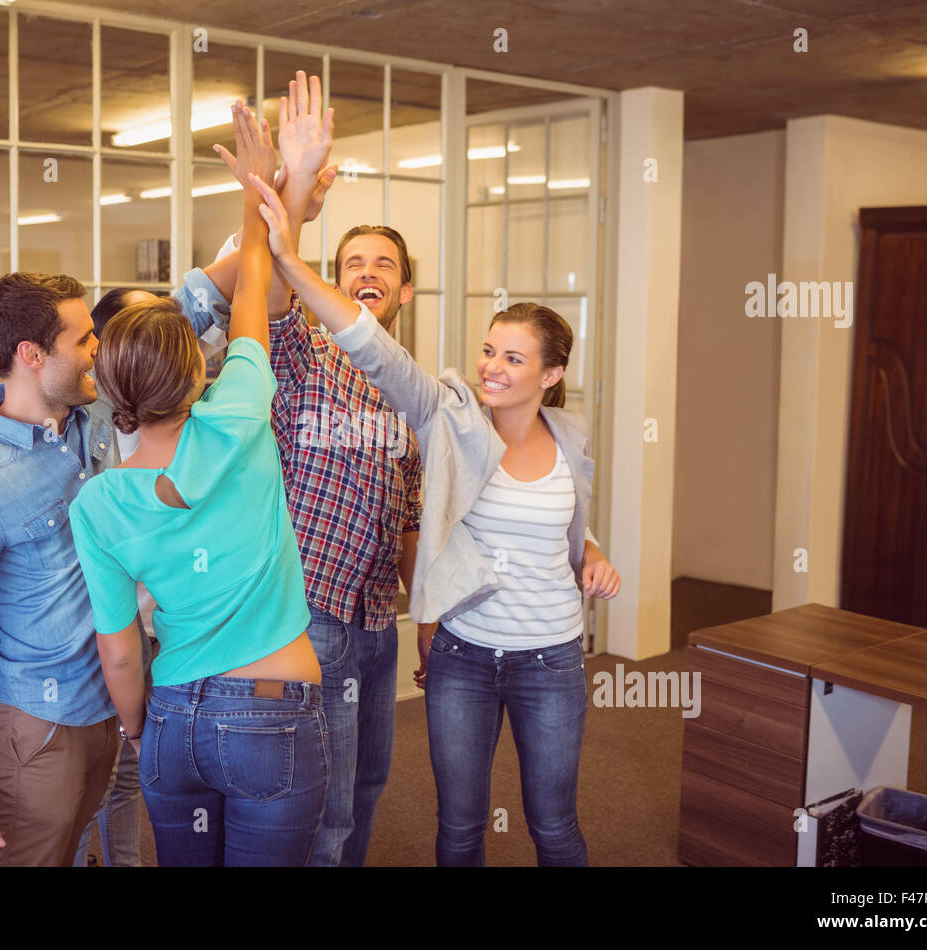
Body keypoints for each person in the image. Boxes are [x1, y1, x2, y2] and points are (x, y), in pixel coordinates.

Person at [251, 174, 622, 866]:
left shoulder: (554, 436)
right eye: (489, 351)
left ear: (549, 374)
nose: (492, 367)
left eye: (513, 357)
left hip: (410, 623)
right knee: (371, 811)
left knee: (379, 784)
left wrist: (590, 553)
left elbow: (427, 517)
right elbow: (349, 338)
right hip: (340, 615)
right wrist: (290, 244)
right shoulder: (418, 401)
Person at [0, 259, 250, 867]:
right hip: (34, 732)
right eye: (84, 339)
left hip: (105, 711)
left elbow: (187, 311)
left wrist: (263, 211)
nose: (99, 348)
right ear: (32, 355)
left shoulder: (86, 415)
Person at [68, 101, 328, 867]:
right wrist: (260, 190)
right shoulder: (239, 408)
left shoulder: (98, 502)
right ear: (196, 370)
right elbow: (254, 290)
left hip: (172, 719)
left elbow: (119, 649)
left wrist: (145, 732)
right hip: (271, 713)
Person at [211, 71, 425, 867]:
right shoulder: (302, 350)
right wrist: (290, 191)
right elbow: (265, 299)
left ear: (405, 288)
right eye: (353, 262)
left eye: (383, 265)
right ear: (334, 278)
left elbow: (406, 508)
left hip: (378, 619)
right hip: (313, 612)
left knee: (369, 786)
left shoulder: (410, 383)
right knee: (325, 810)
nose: (368, 272)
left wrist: (424, 611)